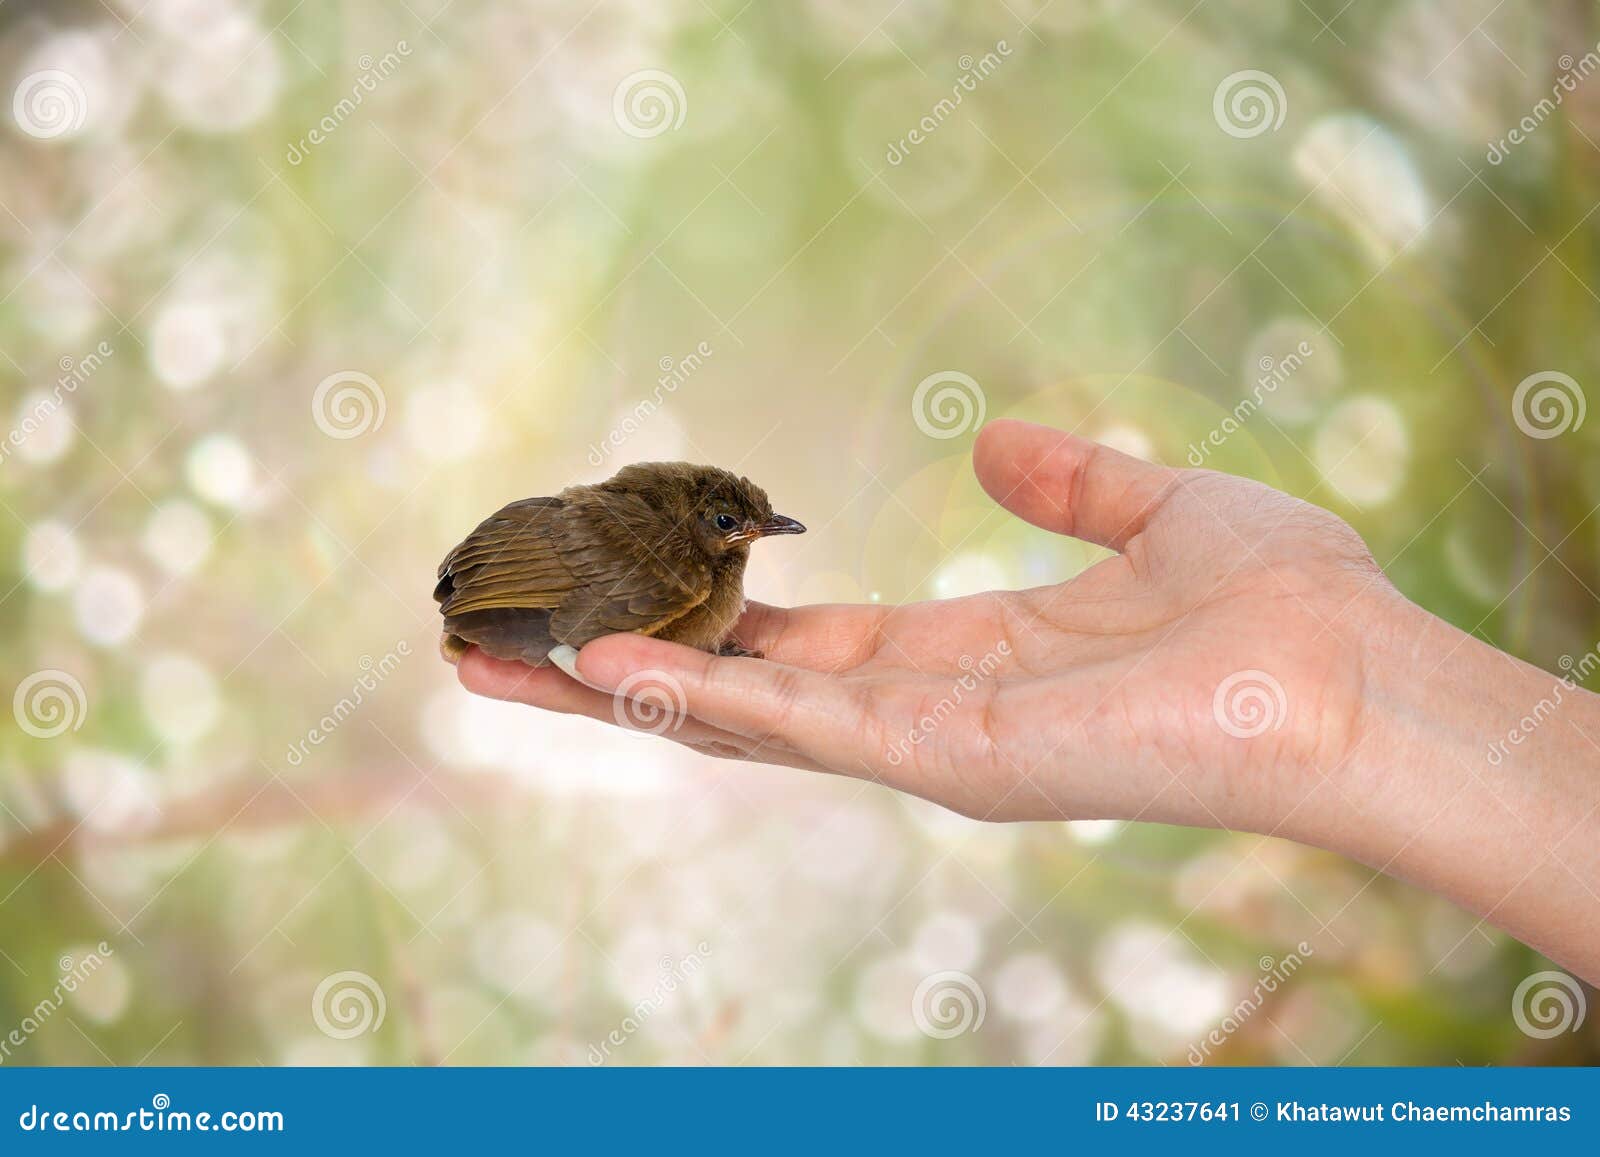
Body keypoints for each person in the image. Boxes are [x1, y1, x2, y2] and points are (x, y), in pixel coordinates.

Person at [458, 419, 1600, 984]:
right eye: (731, 528)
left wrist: (1342, 692)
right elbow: (518, 580)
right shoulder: (663, 564)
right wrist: (1340, 706)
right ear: (692, 530)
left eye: (747, 528)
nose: (749, 543)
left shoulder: (686, 567)